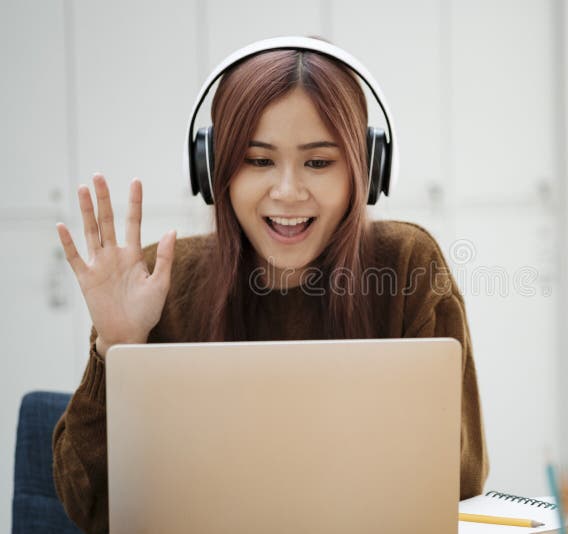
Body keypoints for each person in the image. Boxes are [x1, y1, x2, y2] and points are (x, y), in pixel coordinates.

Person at [51, 38, 488, 533]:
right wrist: (115, 347)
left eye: (318, 162)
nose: (287, 192)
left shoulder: (407, 265)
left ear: (365, 172)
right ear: (214, 171)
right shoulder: (157, 283)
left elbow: (460, 482)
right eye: (259, 161)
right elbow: (90, 509)